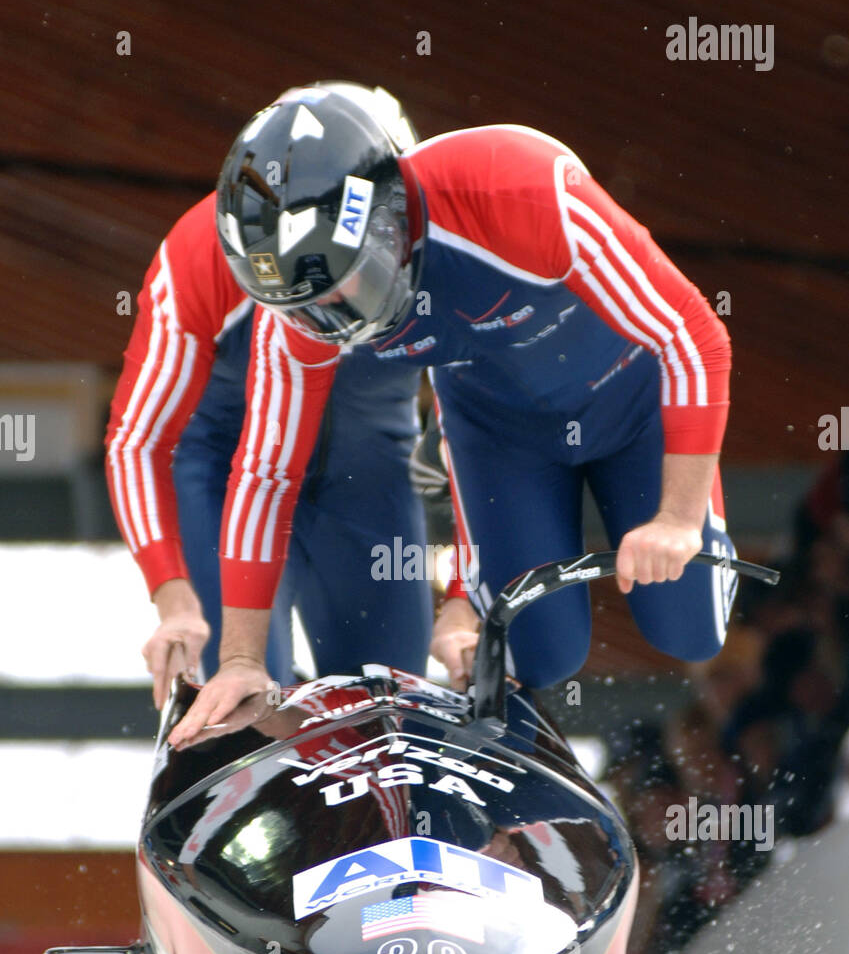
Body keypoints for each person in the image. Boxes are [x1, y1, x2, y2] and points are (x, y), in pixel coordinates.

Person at [168, 85, 738, 750]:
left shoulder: (518, 190)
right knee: (544, 657)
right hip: (500, 437)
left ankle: (696, 532)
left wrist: (676, 516)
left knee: (686, 630)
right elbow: (266, 473)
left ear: (386, 220)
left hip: (633, 408)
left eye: (341, 293)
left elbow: (691, 336)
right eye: (304, 309)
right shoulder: (298, 324)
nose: (333, 326)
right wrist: (241, 657)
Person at [106, 82, 432, 715]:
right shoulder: (197, 254)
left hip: (366, 477)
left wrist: (463, 606)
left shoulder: (435, 241)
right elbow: (139, 439)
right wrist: (174, 598)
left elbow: (473, 432)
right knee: (247, 707)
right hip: (227, 475)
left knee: (387, 708)